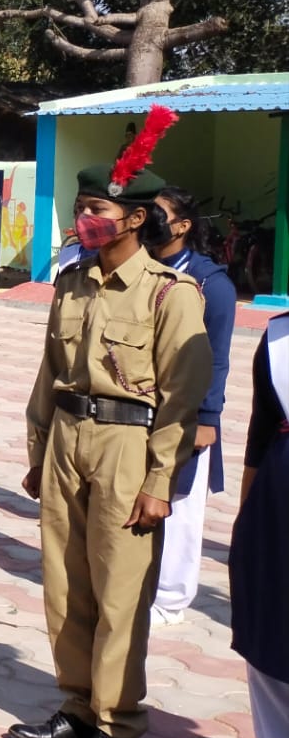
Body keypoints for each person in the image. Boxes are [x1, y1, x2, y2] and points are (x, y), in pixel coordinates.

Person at [9, 106, 212, 738]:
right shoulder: (72, 280)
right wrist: (38, 451)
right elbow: (49, 373)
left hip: (127, 446)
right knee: (65, 584)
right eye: (80, 206)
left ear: (132, 217)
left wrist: (160, 483)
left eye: (95, 207)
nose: (83, 218)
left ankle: (118, 726)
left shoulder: (169, 294)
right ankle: (75, 706)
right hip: (67, 437)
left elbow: (181, 401)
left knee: (121, 590)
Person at [149, 185, 236, 625]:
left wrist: (207, 417)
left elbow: (218, 357)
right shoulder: (141, 269)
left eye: (158, 213)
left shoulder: (208, 282)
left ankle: (171, 598)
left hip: (186, 412)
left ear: (182, 225)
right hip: (143, 407)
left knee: (180, 505)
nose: (147, 219)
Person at [230, 312, 289, 738]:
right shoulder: (277, 338)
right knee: (271, 650)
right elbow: (259, 435)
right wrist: (245, 524)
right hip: (277, 507)